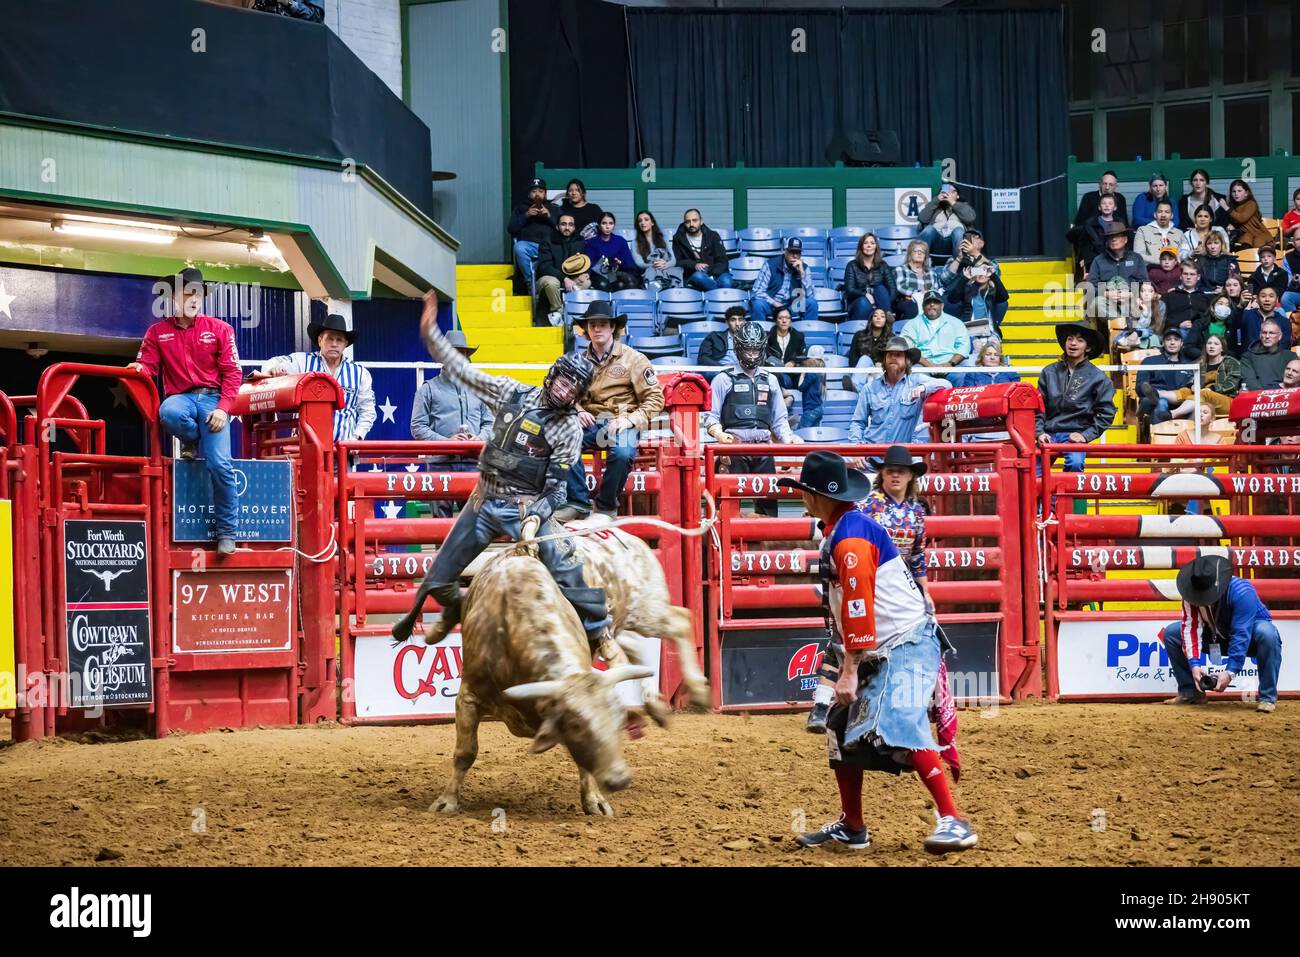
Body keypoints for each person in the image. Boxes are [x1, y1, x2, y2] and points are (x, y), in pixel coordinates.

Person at [390, 293, 613, 653]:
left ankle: (599, 630)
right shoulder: (513, 392)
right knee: (439, 572)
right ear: (553, 376)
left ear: (577, 394)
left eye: (573, 386)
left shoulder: (568, 427)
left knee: (563, 561)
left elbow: (557, 491)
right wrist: (430, 331)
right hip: (484, 498)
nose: (565, 388)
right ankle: (455, 608)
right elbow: (464, 371)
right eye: (563, 380)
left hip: (525, 506)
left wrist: (535, 515)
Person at [782, 451, 976, 855]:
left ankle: (953, 820)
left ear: (817, 497)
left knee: (901, 716)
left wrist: (849, 668)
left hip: (904, 640)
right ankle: (853, 827)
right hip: (889, 640)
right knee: (839, 724)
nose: (802, 499)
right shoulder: (845, 528)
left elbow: (858, 605)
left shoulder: (850, 538)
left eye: (804, 492)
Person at [131, 268, 241, 556]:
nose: (194, 299)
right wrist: (139, 369)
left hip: (213, 401)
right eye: (188, 293)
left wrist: (223, 409)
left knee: (220, 465)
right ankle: (192, 439)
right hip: (180, 399)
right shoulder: (157, 332)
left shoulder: (220, 329)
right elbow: (148, 366)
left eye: (199, 294)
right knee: (167, 412)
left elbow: (233, 373)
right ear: (173, 297)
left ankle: (227, 532)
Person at [555, 301, 664, 521]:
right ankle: (578, 502)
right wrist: (576, 410)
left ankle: (606, 506)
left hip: (623, 420)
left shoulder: (634, 359)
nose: (597, 329)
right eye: (592, 324)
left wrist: (629, 420)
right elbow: (563, 395)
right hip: (591, 422)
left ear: (612, 327)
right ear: (586, 329)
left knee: (622, 453)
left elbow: (655, 398)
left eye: (602, 324)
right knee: (562, 438)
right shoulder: (578, 361)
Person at [702, 321, 802, 517]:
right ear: (739, 348)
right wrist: (719, 434)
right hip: (734, 449)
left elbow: (780, 420)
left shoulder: (771, 380)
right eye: (748, 350)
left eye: (756, 350)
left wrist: (789, 442)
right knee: (727, 510)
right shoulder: (723, 379)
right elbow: (710, 417)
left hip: (763, 449)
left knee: (769, 509)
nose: (752, 355)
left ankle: (767, 541)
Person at [1158, 555, 1281, 712]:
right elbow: (1190, 627)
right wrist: (1194, 665)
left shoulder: (1242, 591)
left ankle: (1267, 697)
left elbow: (1241, 634)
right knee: (1172, 634)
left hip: (1249, 636)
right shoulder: (1190, 593)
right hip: (1215, 635)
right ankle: (1190, 693)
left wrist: (1230, 672)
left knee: (1267, 634)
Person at [256, 313, 375, 442]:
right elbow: (271, 363)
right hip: (305, 449)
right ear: (320, 340)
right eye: (329, 338)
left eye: (339, 339)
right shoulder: (302, 362)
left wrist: (356, 438)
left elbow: (367, 411)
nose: (334, 344)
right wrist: (274, 369)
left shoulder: (360, 373)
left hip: (343, 453)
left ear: (345, 344)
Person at [1035, 322, 1116, 472]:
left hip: (1075, 434)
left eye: (1080, 340)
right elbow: (1038, 407)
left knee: (1075, 463)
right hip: (1048, 433)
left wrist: (1085, 435)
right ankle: (1047, 497)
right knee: (1031, 468)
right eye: (1070, 339)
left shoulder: (1098, 378)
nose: (1073, 343)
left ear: (1088, 347)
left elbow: (1106, 413)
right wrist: (1039, 433)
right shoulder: (1048, 372)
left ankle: (1066, 496)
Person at [846, 336, 948, 454]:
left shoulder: (916, 381)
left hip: (902, 456)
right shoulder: (869, 388)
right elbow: (857, 422)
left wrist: (924, 387)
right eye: (890, 355)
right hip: (872, 454)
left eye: (898, 355)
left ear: (907, 360)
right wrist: (856, 451)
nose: (893, 358)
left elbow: (946, 384)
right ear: (884, 359)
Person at [409, 329, 493, 452]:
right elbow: (417, 427)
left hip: (474, 460)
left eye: (461, 353)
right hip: (441, 462)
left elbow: (490, 424)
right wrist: (445, 443)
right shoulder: (428, 389)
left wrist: (479, 439)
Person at [1168, 333, 1240, 419]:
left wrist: (1212, 388)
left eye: (1216, 344)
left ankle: (1173, 414)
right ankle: (1157, 393)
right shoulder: (1201, 363)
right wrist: (1192, 385)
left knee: (1204, 393)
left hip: (1227, 399)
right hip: (1202, 396)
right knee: (1185, 391)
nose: (1211, 346)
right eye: (1209, 343)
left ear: (1222, 348)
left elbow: (1232, 384)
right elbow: (1190, 377)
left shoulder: (1231, 362)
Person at [1070, 171, 1128, 276]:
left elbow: (1124, 224)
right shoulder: (1089, 197)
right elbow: (1080, 222)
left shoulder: (1120, 199)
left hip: (1114, 237)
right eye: (1104, 184)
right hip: (1092, 239)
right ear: (1099, 184)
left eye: (1110, 184)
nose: (1107, 187)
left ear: (1116, 186)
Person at [534, 213, 587, 327]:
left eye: (570, 225)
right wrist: (565, 278)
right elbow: (544, 267)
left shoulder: (580, 242)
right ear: (557, 227)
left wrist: (584, 274)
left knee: (587, 282)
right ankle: (557, 313)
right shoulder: (547, 241)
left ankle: (573, 310)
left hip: (570, 278)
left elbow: (584, 263)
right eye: (563, 224)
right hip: (548, 277)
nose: (567, 227)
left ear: (574, 227)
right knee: (552, 283)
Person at [507, 176, 557, 296]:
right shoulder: (521, 208)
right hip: (529, 246)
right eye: (534, 191)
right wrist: (526, 215)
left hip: (550, 246)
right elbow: (511, 229)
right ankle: (531, 284)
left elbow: (565, 229)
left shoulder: (553, 208)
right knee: (519, 247)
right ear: (529, 194)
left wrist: (549, 217)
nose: (537, 195)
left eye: (540, 191)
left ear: (545, 194)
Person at [751, 237, 818, 323]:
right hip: (772, 306)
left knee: (811, 303)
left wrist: (802, 274)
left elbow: (810, 296)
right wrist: (775, 303)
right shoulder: (770, 265)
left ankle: (809, 335)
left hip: (792, 307)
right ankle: (759, 335)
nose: (795, 255)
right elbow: (757, 291)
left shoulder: (804, 268)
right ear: (785, 251)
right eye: (791, 252)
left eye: (798, 252)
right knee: (757, 304)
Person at [1137, 328, 1195, 425]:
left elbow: (1192, 385)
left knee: (1199, 406)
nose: (1172, 343)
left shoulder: (1188, 365)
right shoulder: (1150, 361)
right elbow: (1140, 387)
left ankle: (1189, 437)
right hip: (1153, 402)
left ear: (1181, 343)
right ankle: (1160, 437)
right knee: (1162, 402)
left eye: (1176, 340)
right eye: (1168, 339)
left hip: (1180, 401)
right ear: (1163, 343)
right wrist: (1151, 392)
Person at [892, 239, 959, 322]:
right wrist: (919, 292)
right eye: (916, 251)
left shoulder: (931, 272)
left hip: (930, 299)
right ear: (910, 254)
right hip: (909, 300)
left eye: (923, 252)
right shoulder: (901, 269)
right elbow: (901, 287)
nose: (920, 253)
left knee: (951, 306)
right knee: (912, 309)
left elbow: (937, 288)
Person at [900, 290, 971, 369]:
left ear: (942, 306)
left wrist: (950, 364)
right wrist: (928, 365)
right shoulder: (912, 324)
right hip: (922, 365)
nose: (932, 304)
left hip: (950, 364)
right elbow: (907, 347)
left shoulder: (956, 323)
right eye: (928, 302)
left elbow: (964, 347)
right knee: (916, 376)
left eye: (936, 302)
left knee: (961, 376)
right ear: (922, 306)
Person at [672, 208, 732, 292]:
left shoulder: (713, 236)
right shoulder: (678, 238)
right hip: (693, 274)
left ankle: (715, 296)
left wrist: (711, 275)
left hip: (717, 272)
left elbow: (722, 260)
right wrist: (694, 265)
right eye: (687, 221)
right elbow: (678, 261)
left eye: (694, 220)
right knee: (698, 277)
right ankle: (719, 297)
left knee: (726, 281)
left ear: (701, 221)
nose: (691, 224)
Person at [945, 261, 1008, 338]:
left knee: (993, 346)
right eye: (978, 270)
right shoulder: (967, 290)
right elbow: (952, 299)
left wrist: (993, 275)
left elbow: (1004, 298)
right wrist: (964, 278)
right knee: (977, 345)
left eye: (985, 270)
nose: (982, 274)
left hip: (990, 331)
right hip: (970, 331)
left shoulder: (993, 292)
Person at [842, 232, 895, 323]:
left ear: (876, 247)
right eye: (866, 243)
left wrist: (885, 302)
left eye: (872, 243)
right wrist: (865, 295)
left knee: (880, 288)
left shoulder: (883, 265)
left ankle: (887, 315)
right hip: (858, 302)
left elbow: (892, 288)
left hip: (880, 301)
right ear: (861, 247)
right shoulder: (852, 265)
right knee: (863, 302)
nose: (869, 246)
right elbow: (850, 290)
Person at [1161, 260, 1211, 356]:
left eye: (1192, 274)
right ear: (1181, 276)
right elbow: (1161, 320)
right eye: (1185, 274)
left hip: (1199, 334)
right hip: (1176, 333)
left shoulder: (1205, 297)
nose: (1188, 277)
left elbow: (1209, 318)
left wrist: (1197, 326)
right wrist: (1178, 324)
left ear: (1198, 277)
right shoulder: (1170, 296)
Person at [917, 183, 975, 261]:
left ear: (957, 196)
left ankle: (958, 264)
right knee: (929, 229)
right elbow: (922, 218)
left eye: (952, 192)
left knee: (959, 231)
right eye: (945, 191)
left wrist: (953, 203)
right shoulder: (935, 207)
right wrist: (936, 201)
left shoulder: (963, 207)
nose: (948, 194)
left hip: (955, 242)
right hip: (936, 242)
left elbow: (970, 218)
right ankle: (920, 264)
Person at [584, 212, 638, 291]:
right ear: (599, 225)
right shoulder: (592, 242)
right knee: (606, 284)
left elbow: (630, 264)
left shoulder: (620, 241)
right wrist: (606, 264)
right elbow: (590, 265)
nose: (607, 226)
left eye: (610, 223)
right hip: (599, 274)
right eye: (604, 223)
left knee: (630, 282)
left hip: (618, 272)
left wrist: (620, 263)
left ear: (613, 226)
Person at [1240, 319, 1299, 391]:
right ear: (1260, 335)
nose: (1267, 336)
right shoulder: (1248, 357)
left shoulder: (1290, 356)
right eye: (1264, 333)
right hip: (1258, 397)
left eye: (1271, 333)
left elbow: (1296, 381)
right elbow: (1250, 382)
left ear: (1280, 336)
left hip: (1286, 396)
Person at [630, 210, 680, 291]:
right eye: (640, 221)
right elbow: (640, 264)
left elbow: (673, 260)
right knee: (651, 272)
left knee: (676, 272)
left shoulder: (664, 238)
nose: (643, 223)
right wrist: (655, 265)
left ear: (652, 223)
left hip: (665, 269)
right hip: (648, 271)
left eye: (646, 220)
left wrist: (665, 265)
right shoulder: (635, 243)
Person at [1112, 280, 1164, 352]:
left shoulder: (1161, 305)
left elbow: (1156, 327)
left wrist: (1139, 333)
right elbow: (1132, 326)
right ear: (1139, 294)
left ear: (1155, 294)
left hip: (1153, 334)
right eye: (1143, 291)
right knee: (1134, 342)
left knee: (1153, 339)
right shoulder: (1131, 305)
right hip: (1132, 334)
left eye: (1150, 291)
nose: (1146, 294)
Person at [1238, 286, 1292, 352]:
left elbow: (1285, 346)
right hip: (1249, 358)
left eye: (1271, 296)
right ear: (1257, 299)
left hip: (1274, 359)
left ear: (1277, 300)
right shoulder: (1247, 315)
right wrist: (1240, 306)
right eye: (1263, 296)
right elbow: (1233, 327)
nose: (1267, 299)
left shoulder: (1284, 322)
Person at [764, 305, 806, 388]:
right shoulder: (768, 338)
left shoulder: (799, 337)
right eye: (780, 318)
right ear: (776, 320)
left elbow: (802, 356)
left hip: (794, 374)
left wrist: (793, 362)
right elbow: (765, 358)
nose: (784, 321)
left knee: (812, 376)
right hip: (775, 374)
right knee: (779, 377)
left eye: (787, 318)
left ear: (790, 321)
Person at [1134, 200, 1187, 265]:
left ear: (1172, 215)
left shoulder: (1179, 233)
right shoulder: (1143, 231)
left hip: (1174, 270)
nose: (1163, 215)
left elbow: (1182, 254)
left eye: (1167, 212)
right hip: (1151, 269)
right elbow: (1138, 255)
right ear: (1155, 214)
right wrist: (1161, 262)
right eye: (1160, 212)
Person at [696, 304, 746, 372]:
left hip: (743, 371)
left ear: (744, 321)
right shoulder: (714, 336)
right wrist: (721, 367)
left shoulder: (750, 339)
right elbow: (703, 358)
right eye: (733, 320)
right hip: (720, 370)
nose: (737, 323)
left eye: (740, 320)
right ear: (727, 322)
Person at [1080, 193, 1124, 269]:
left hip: (1117, 259)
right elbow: (1085, 244)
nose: (1107, 206)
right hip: (1095, 259)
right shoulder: (1090, 223)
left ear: (1115, 207)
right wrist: (1088, 260)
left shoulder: (1120, 222)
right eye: (1103, 203)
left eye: (1110, 203)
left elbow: (1125, 241)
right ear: (1099, 207)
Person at [1225, 179, 1273, 250]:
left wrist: (1226, 208)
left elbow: (1241, 218)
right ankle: (1246, 260)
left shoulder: (1251, 204)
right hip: (1246, 234)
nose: (1236, 194)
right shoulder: (1232, 207)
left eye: (1239, 191)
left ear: (1246, 193)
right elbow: (1232, 221)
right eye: (1234, 191)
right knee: (1245, 240)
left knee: (1257, 241)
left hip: (1259, 233)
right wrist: (1230, 225)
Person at [950, 340, 1019, 388]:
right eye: (988, 354)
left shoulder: (1010, 373)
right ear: (982, 357)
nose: (992, 357)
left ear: (1000, 358)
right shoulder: (972, 374)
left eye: (996, 355)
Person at [846, 307, 893, 372]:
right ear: (871, 319)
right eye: (875, 315)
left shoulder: (891, 339)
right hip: (863, 372)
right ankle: (855, 382)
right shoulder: (859, 335)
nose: (878, 318)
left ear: (886, 321)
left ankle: (855, 382)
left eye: (882, 316)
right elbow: (852, 360)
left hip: (881, 373)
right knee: (865, 359)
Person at [1280, 228, 1300, 314]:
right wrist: (1294, 283)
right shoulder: (1288, 258)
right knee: (1286, 297)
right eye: (1298, 239)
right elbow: (1286, 285)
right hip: (1298, 293)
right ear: (1293, 243)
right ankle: (1294, 323)